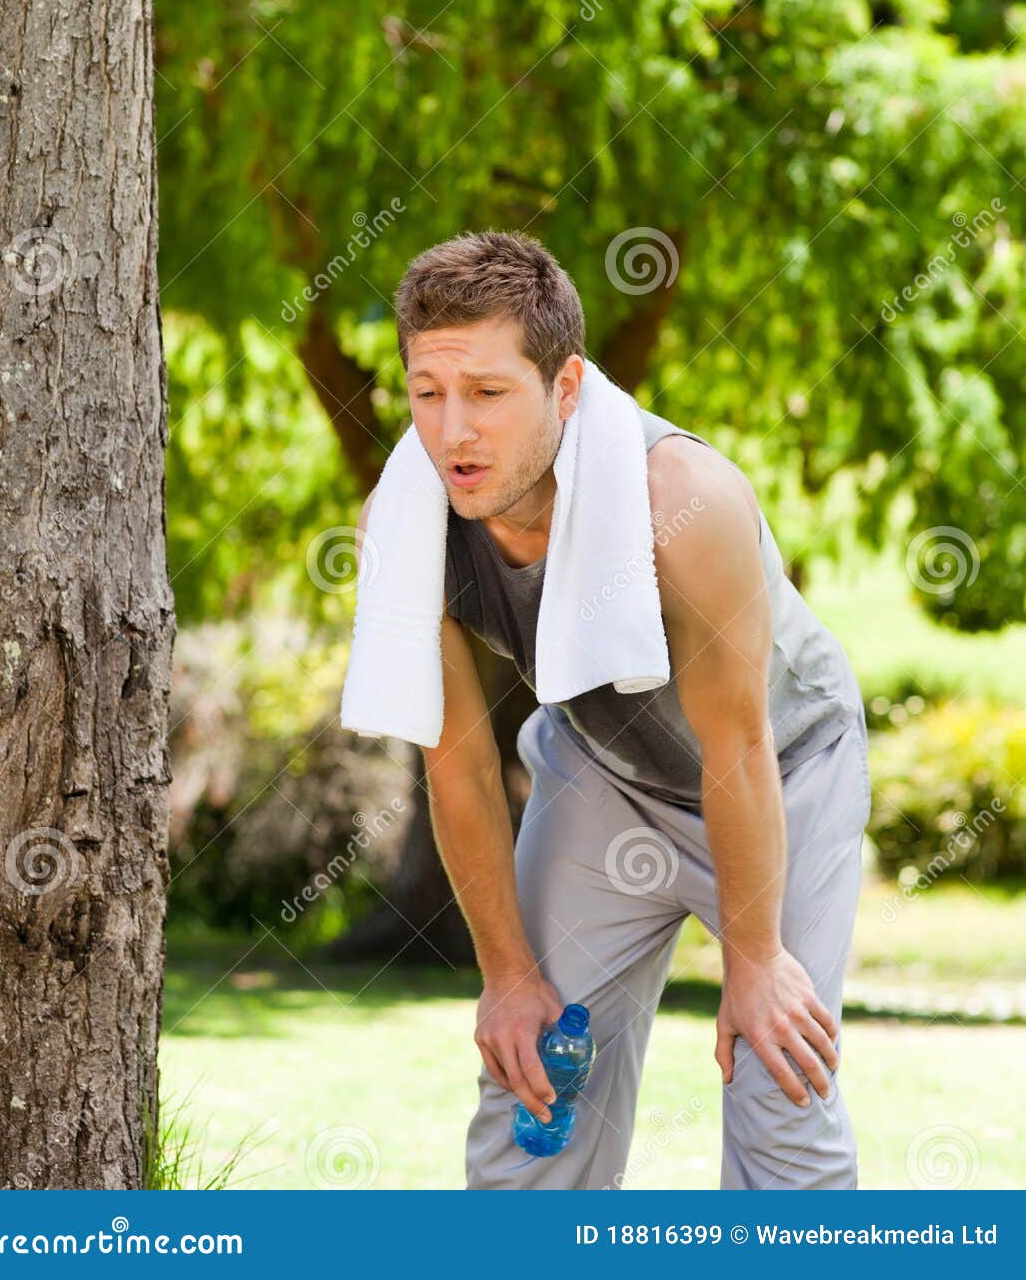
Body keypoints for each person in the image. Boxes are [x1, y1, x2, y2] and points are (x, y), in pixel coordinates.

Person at [355, 229, 871, 1189]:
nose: (453, 431)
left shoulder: (683, 499)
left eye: (488, 393)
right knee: (532, 1085)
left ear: (565, 388)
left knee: (778, 1080)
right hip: (601, 769)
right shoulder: (410, 519)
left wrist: (753, 960)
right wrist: (507, 977)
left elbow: (740, 741)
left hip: (784, 770)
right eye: (428, 394)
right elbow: (457, 764)